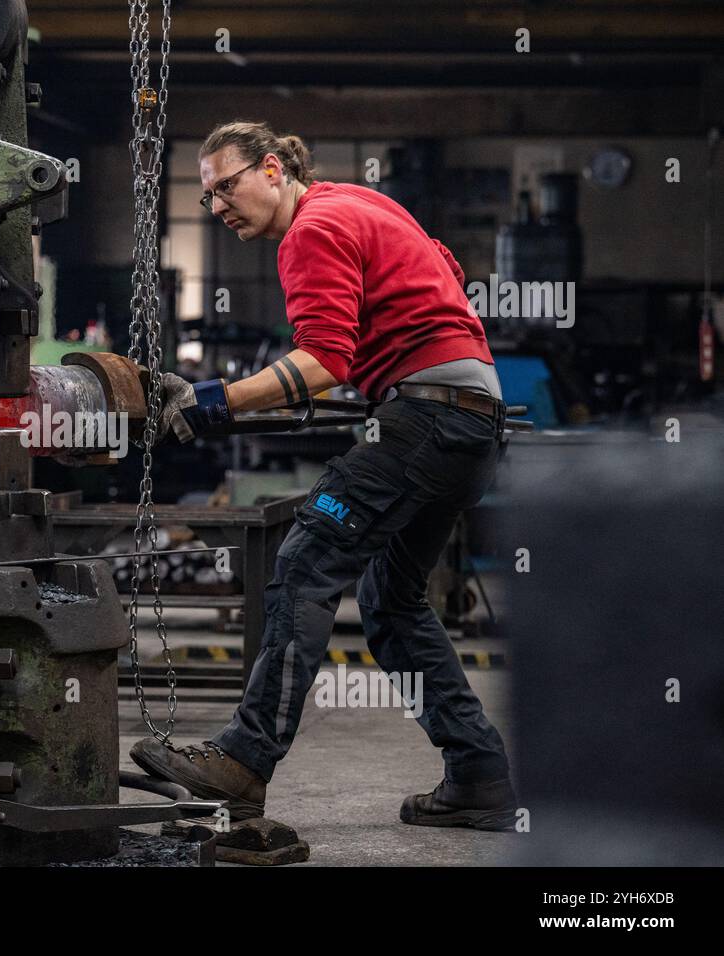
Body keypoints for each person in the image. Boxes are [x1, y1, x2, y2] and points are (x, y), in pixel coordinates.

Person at [130, 120, 517, 831]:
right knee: (392, 602)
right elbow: (444, 278)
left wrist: (212, 401)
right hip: (472, 420)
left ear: (272, 168)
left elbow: (324, 361)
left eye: (227, 185)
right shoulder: (363, 204)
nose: (218, 207)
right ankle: (480, 776)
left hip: (427, 419)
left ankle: (244, 761)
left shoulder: (311, 229)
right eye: (208, 195)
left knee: (306, 560)